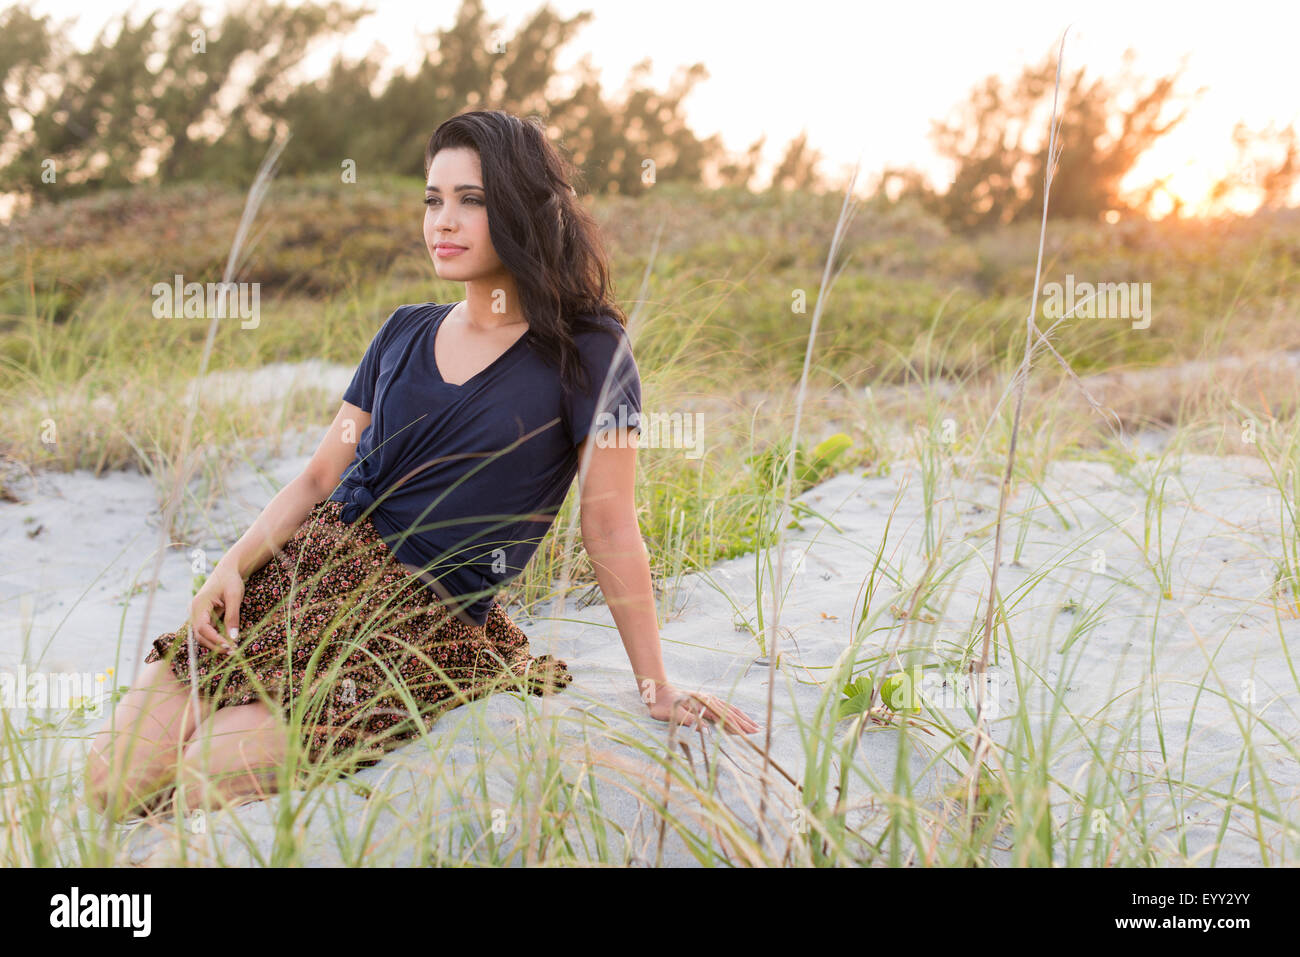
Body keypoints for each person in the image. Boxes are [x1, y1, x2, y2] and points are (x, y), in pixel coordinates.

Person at [84, 110, 760, 824]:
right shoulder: (402, 331)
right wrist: (234, 564)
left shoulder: (589, 347)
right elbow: (319, 477)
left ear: (524, 208)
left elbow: (610, 526)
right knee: (112, 779)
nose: (445, 219)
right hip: (299, 577)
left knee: (200, 776)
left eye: (472, 199)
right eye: (433, 200)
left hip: (415, 621)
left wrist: (655, 684)